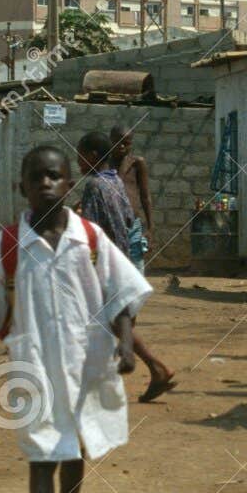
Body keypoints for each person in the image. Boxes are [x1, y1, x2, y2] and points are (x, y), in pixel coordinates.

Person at [0, 144, 150, 493]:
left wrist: (127, 347)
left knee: (72, 451)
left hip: (84, 362)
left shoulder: (88, 239)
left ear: (70, 185)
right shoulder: (9, 245)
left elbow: (121, 293)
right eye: (37, 178)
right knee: (39, 452)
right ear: (23, 187)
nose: (46, 184)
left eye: (55, 176)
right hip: (31, 366)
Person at [77, 131, 175, 402]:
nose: (78, 162)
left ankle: (155, 368)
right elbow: (127, 218)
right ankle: (155, 369)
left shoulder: (94, 186)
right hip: (121, 257)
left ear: (93, 156)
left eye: (80, 156)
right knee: (115, 322)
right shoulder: (115, 182)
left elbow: (92, 233)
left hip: (104, 263)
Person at [110, 126, 153, 269]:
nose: (121, 146)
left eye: (126, 143)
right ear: (110, 142)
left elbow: (145, 196)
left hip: (133, 225)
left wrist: (150, 228)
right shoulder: (105, 164)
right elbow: (114, 187)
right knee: (113, 269)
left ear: (131, 143)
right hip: (110, 225)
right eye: (117, 142)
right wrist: (123, 168)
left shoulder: (137, 163)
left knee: (136, 268)